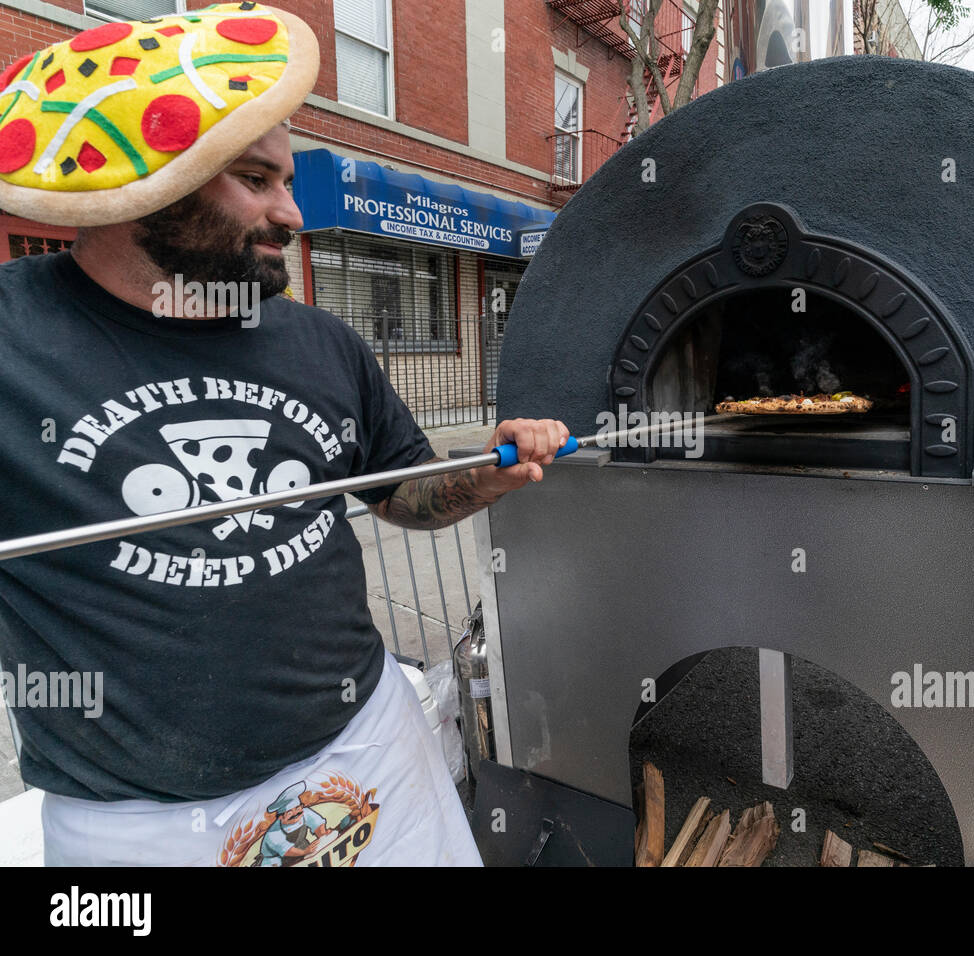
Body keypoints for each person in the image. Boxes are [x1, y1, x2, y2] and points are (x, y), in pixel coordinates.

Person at [0, 5, 569, 866]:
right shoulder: (12, 338)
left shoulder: (319, 340)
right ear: (155, 175)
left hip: (368, 745)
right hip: (140, 825)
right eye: (258, 181)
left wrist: (484, 476)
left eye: (290, 185)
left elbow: (397, 490)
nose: (292, 216)